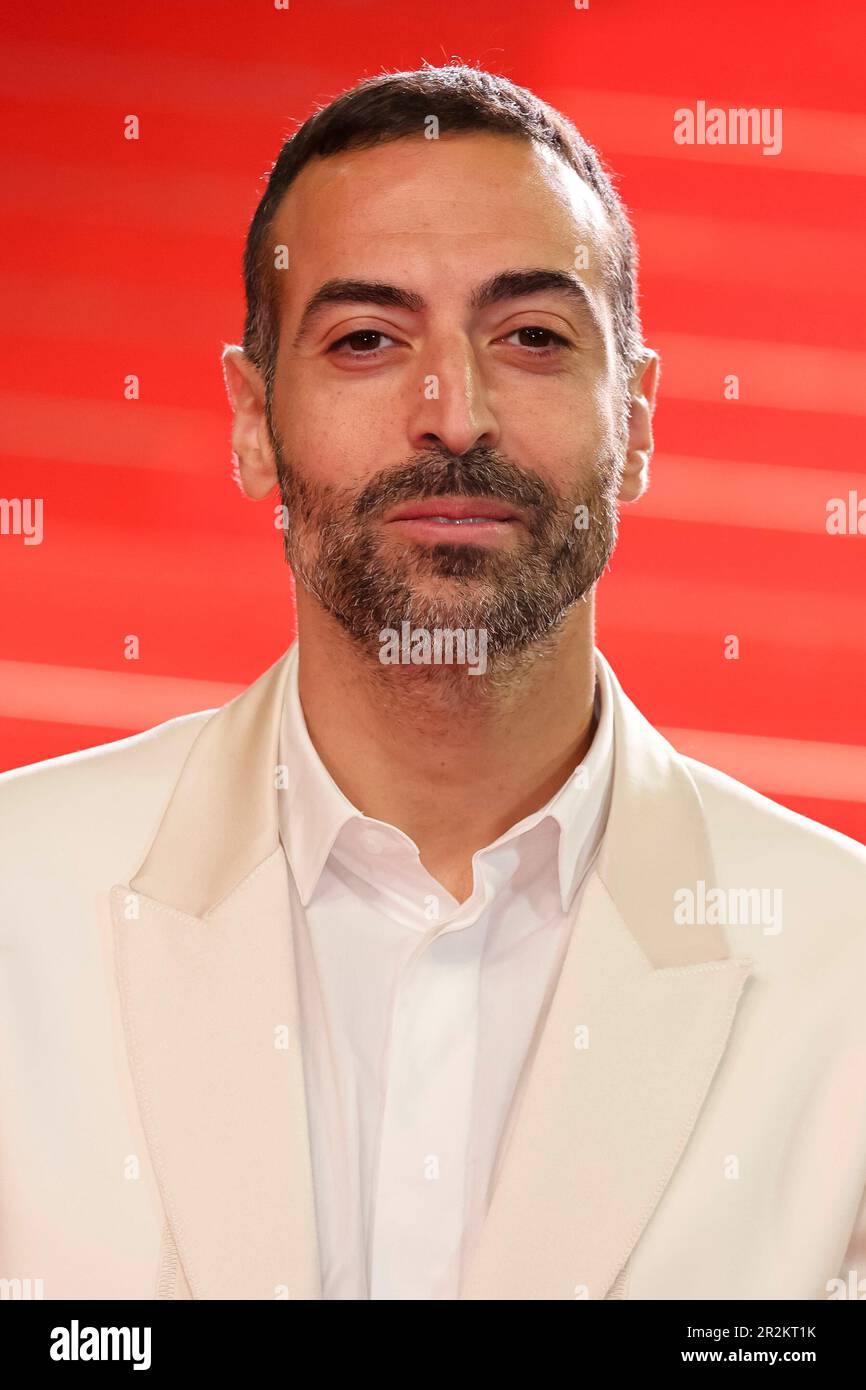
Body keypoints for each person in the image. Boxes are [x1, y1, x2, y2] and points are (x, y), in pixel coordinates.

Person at [1, 63, 864, 1303]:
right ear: (253, 421)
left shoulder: (843, 970)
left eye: (529, 337)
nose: (451, 413)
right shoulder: (15, 910)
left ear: (638, 419)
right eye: (365, 340)